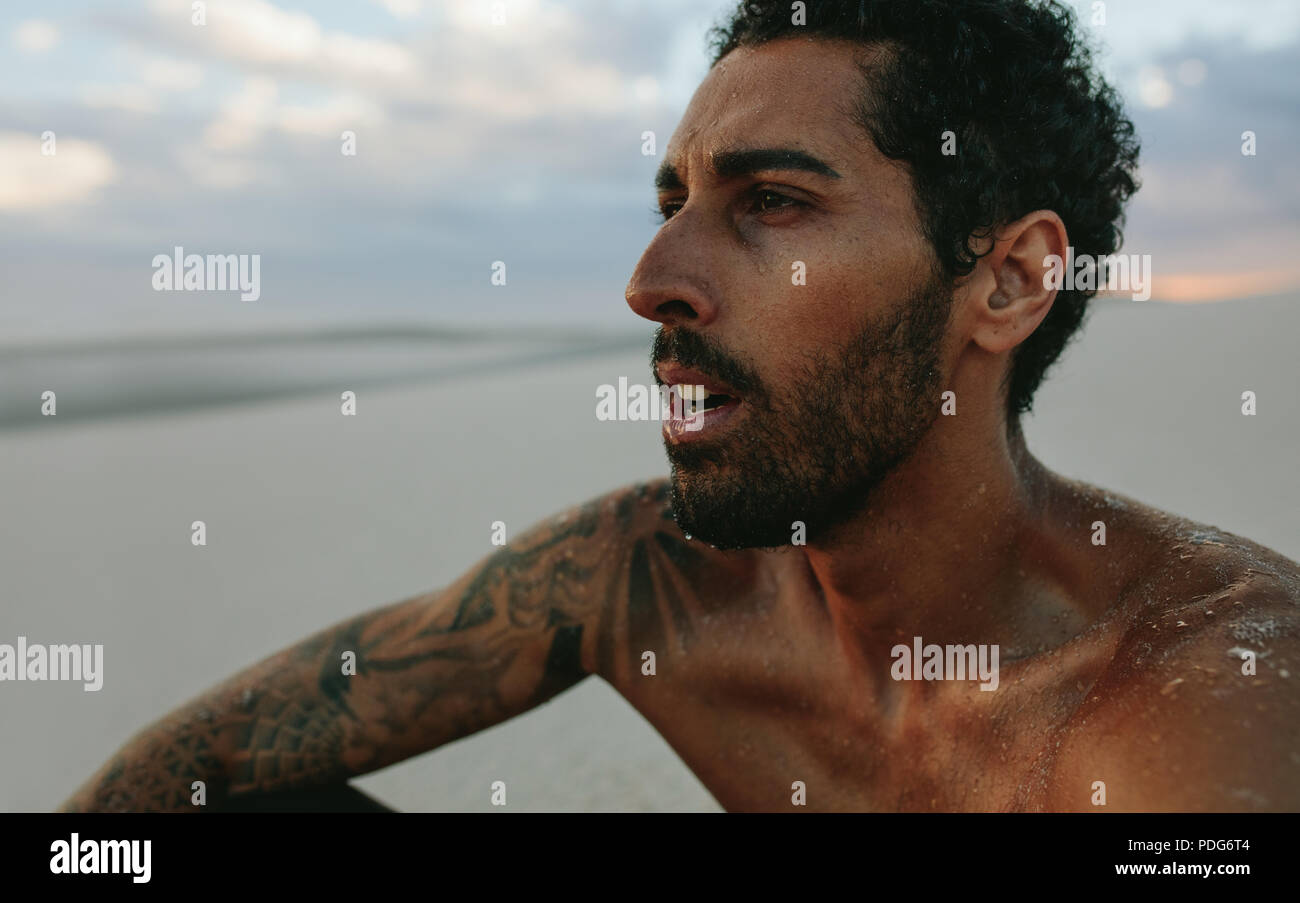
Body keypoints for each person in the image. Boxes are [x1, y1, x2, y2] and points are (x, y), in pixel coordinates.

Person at [61, 0, 1299, 813]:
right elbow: (188, 772)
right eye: (674, 203)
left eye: (771, 205)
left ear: (1009, 279)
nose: (653, 282)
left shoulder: (1199, 711)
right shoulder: (649, 581)